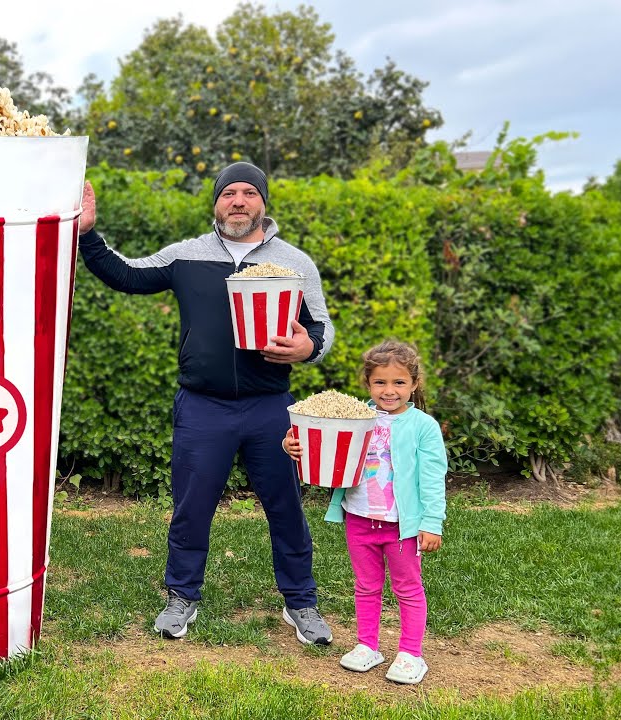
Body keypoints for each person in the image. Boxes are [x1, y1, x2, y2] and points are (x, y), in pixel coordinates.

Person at [76, 162, 336, 644]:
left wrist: (310, 348)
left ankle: (301, 601)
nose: (238, 201)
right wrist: (88, 235)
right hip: (202, 406)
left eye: (249, 193)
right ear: (215, 203)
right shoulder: (186, 255)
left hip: (270, 407)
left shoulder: (294, 262)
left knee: (286, 506)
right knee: (191, 507)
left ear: (263, 202)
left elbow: (321, 327)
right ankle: (182, 596)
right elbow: (127, 275)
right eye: (228, 193)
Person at [283, 340, 448, 684]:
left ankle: (411, 654)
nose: (389, 391)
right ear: (367, 384)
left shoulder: (423, 426)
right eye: (380, 382)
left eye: (399, 382)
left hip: (402, 524)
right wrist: (291, 443)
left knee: (407, 587)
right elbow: (316, 440)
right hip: (359, 517)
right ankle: (367, 645)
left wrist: (431, 523)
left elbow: (433, 478)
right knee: (366, 586)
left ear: (414, 384)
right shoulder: (356, 416)